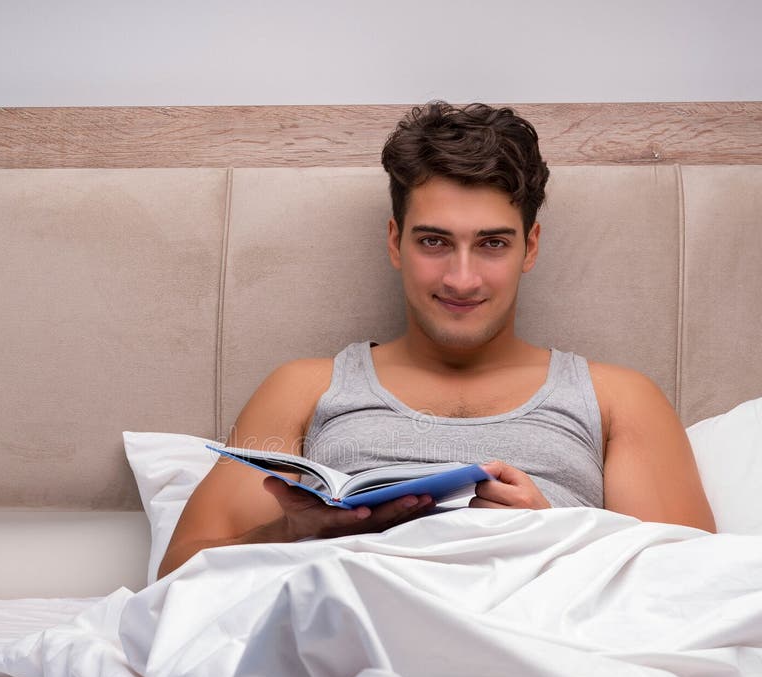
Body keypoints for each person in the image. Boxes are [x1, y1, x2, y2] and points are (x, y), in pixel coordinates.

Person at [158, 102, 714, 579]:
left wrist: (552, 533)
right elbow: (178, 573)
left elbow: (690, 588)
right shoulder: (303, 388)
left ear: (531, 247)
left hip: (534, 637)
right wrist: (288, 531)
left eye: (493, 244)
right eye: (434, 242)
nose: (461, 279)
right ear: (397, 242)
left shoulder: (618, 397)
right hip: (350, 628)